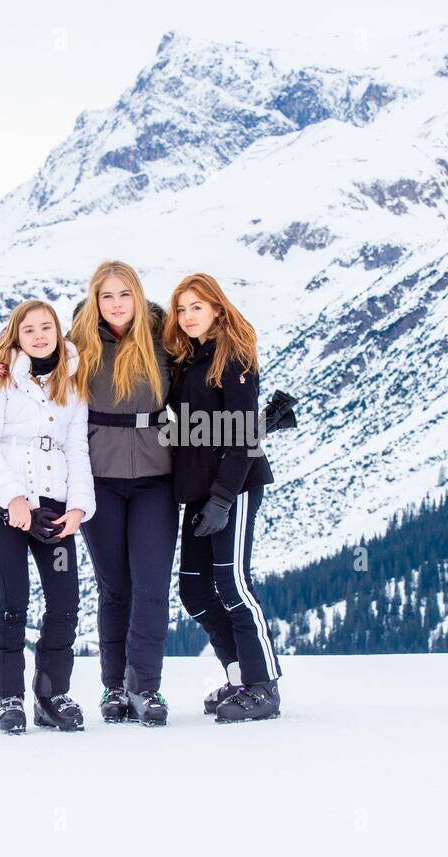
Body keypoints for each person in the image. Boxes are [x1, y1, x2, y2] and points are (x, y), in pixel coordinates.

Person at [0, 262, 178, 726]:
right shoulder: (72, 349)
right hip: (52, 490)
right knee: (66, 595)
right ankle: (54, 693)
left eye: (126, 295)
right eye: (107, 296)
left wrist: (79, 505)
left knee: (115, 594)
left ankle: (125, 689)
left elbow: (75, 443)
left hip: (125, 484)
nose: (117, 304)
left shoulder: (157, 341)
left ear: (139, 297)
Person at [162, 272, 282, 722]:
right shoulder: (188, 359)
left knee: (233, 584)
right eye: (181, 308)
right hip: (197, 491)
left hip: (235, 486)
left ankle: (263, 685)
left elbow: (244, 436)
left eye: (197, 306)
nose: (188, 316)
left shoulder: (234, 358)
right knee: (194, 590)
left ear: (216, 307)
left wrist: (222, 499)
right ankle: (237, 676)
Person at [0, 300, 94, 734]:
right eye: (29, 330)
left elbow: (77, 448)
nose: (40, 336)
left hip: (56, 504)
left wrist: (78, 506)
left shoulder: (72, 383)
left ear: (58, 333)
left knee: (64, 603)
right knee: (13, 603)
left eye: (47, 328)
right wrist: (14, 499)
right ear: (16, 336)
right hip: (5, 502)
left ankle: (51, 694)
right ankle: (7, 697)